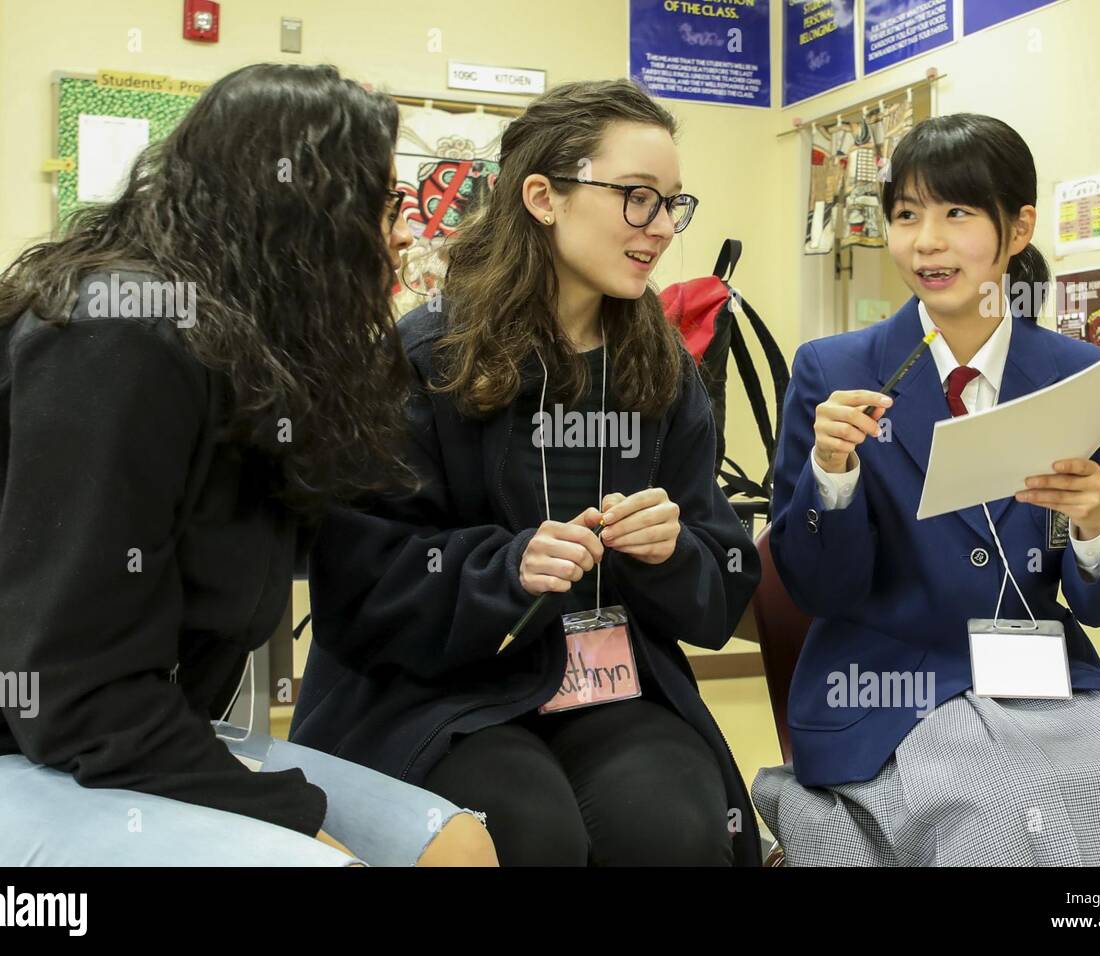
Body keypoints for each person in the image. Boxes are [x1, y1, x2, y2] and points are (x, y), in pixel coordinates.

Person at [0, 63, 494, 867]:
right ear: (303, 211)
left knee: (457, 847)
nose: (406, 233)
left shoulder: (253, 352)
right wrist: (292, 818)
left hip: (118, 727)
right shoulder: (116, 332)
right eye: (384, 205)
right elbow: (73, 692)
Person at [291, 79, 762, 866]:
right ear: (543, 197)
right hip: (442, 690)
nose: (660, 230)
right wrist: (504, 569)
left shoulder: (665, 373)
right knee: (526, 830)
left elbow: (723, 581)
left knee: (676, 825)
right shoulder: (426, 359)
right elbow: (358, 582)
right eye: (637, 198)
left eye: (673, 205)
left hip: (611, 683)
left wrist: (671, 553)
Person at [754, 113, 1100, 867]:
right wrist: (831, 476)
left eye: (957, 213)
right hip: (884, 683)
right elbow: (816, 588)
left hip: (1046, 675)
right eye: (906, 215)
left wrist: (1097, 522)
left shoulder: (1085, 378)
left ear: (1018, 228)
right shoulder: (831, 372)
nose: (925, 241)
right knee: (1006, 799)